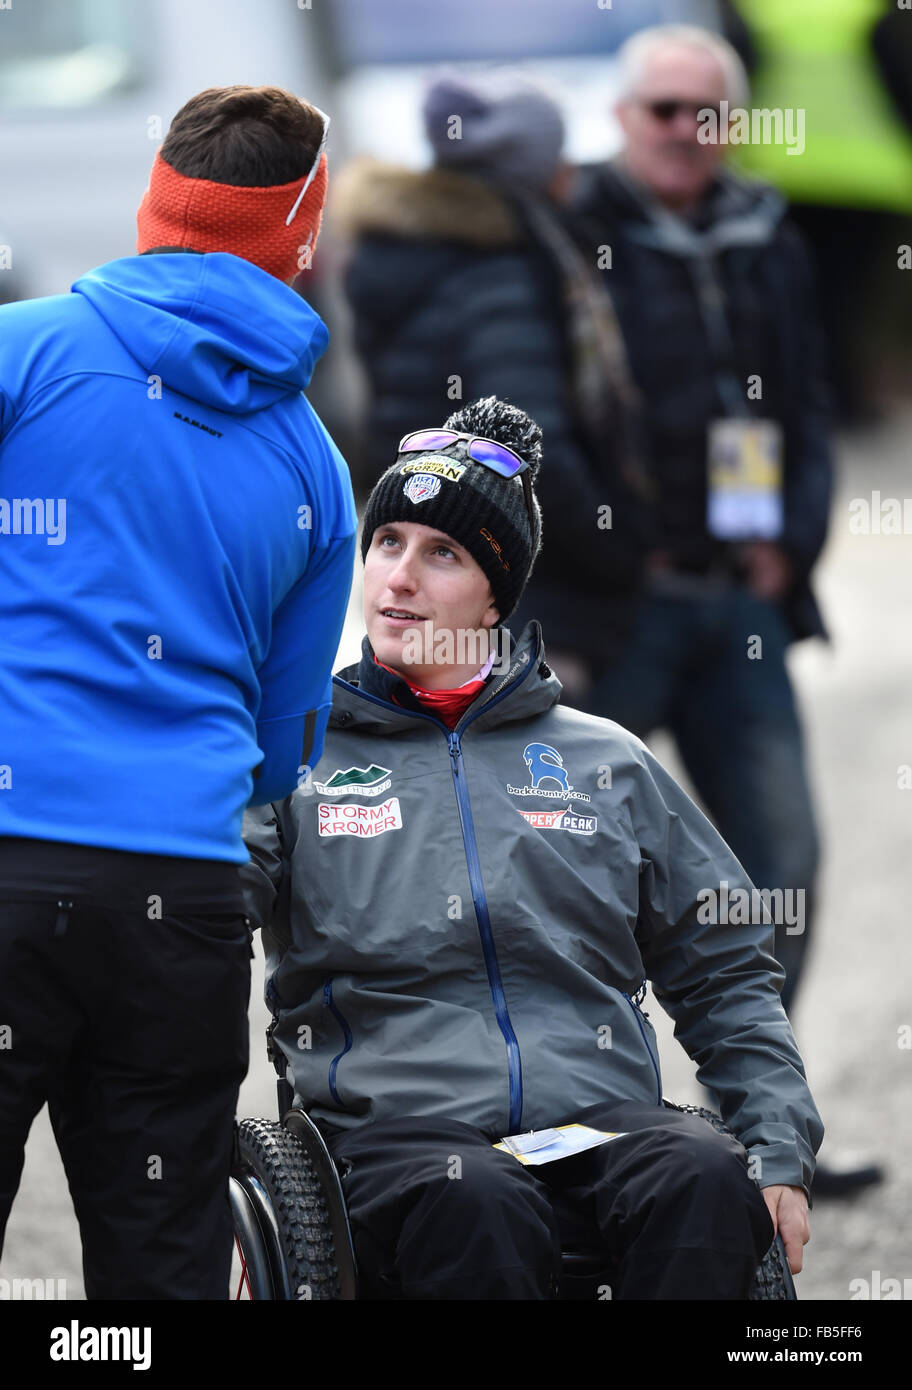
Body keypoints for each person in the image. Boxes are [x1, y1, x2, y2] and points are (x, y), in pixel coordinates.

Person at [241, 396, 822, 1301]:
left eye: (443, 554)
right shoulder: (296, 751)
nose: (399, 579)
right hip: (398, 1134)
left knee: (708, 1173)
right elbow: (203, 910)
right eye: (386, 541)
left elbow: (726, 964)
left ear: (496, 593)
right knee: (478, 1198)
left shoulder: (604, 760)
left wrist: (778, 1144)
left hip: (600, 1120)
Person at [0, 85, 358, 1298]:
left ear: (154, 199)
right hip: (181, 898)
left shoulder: (26, 349)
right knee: (162, 1276)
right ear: (301, 237)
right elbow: (284, 747)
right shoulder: (315, 462)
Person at [333, 70, 647, 685]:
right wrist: (618, 545)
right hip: (532, 586)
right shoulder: (498, 267)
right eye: (560, 158)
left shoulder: (408, 248)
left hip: (447, 565)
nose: (573, 176)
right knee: (559, 768)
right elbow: (534, 445)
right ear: (531, 172)